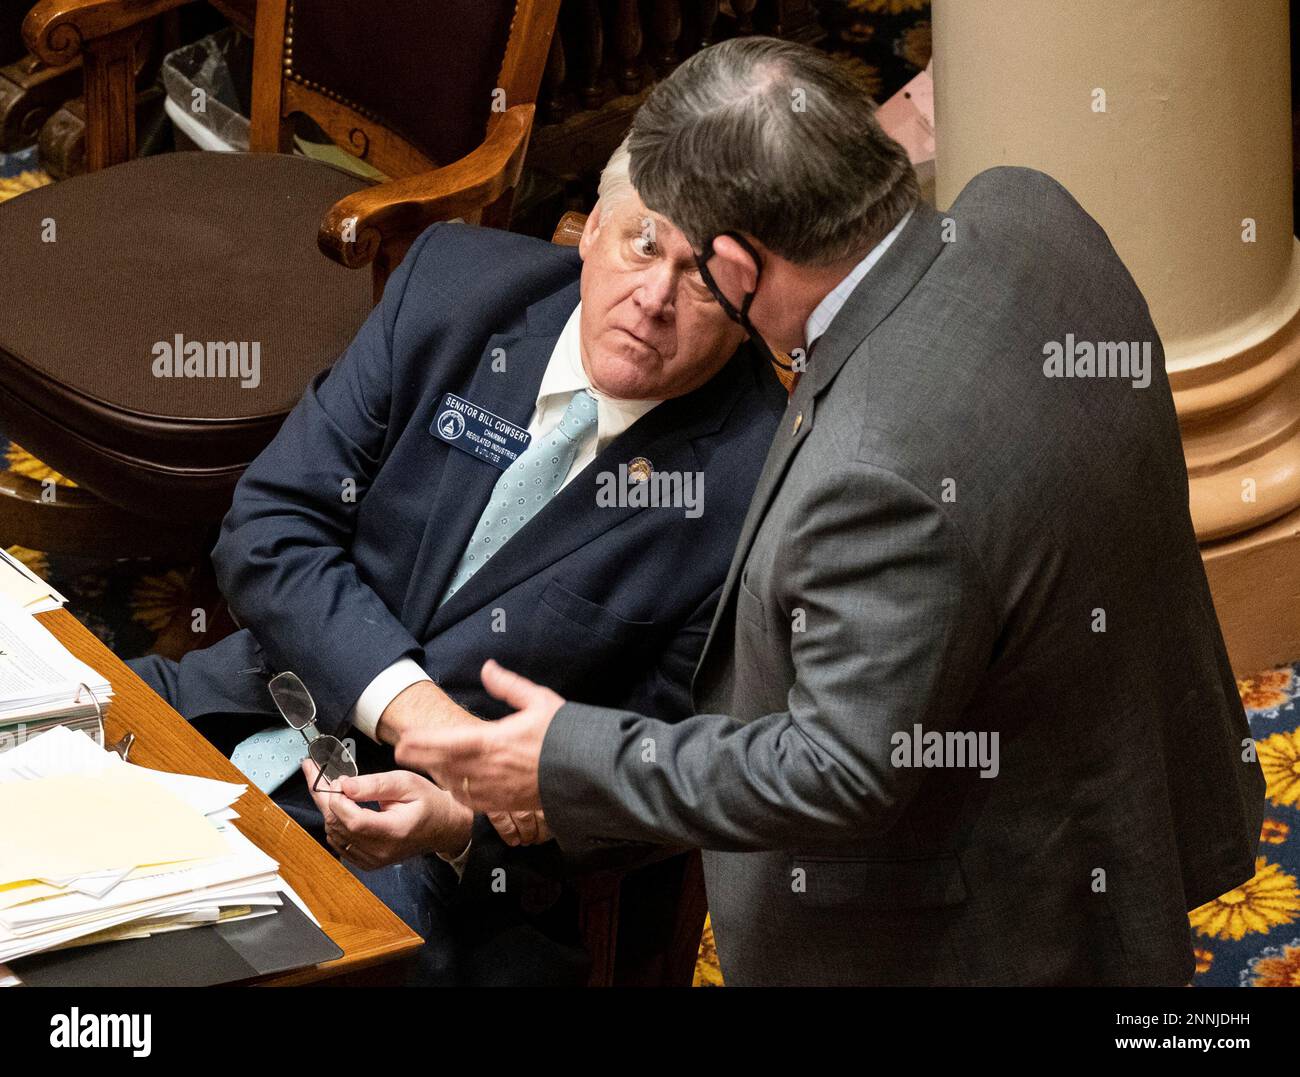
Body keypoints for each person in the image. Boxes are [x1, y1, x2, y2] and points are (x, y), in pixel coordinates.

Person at [396, 37, 1266, 986]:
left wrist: (568, 757)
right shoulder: (1030, 207)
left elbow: (839, 768)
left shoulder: (875, 474)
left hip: (987, 917)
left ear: (738, 265)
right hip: (1116, 778)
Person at [129, 139, 785, 985]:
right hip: (240, 709)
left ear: (748, 303)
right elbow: (269, 526)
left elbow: (671, 768)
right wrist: (431, 725)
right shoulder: (457, 284)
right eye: (644, 242)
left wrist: (458, 815)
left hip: (445, 868)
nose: (654, 297)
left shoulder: (759, 484)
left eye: (701, 276)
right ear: (591, 231)